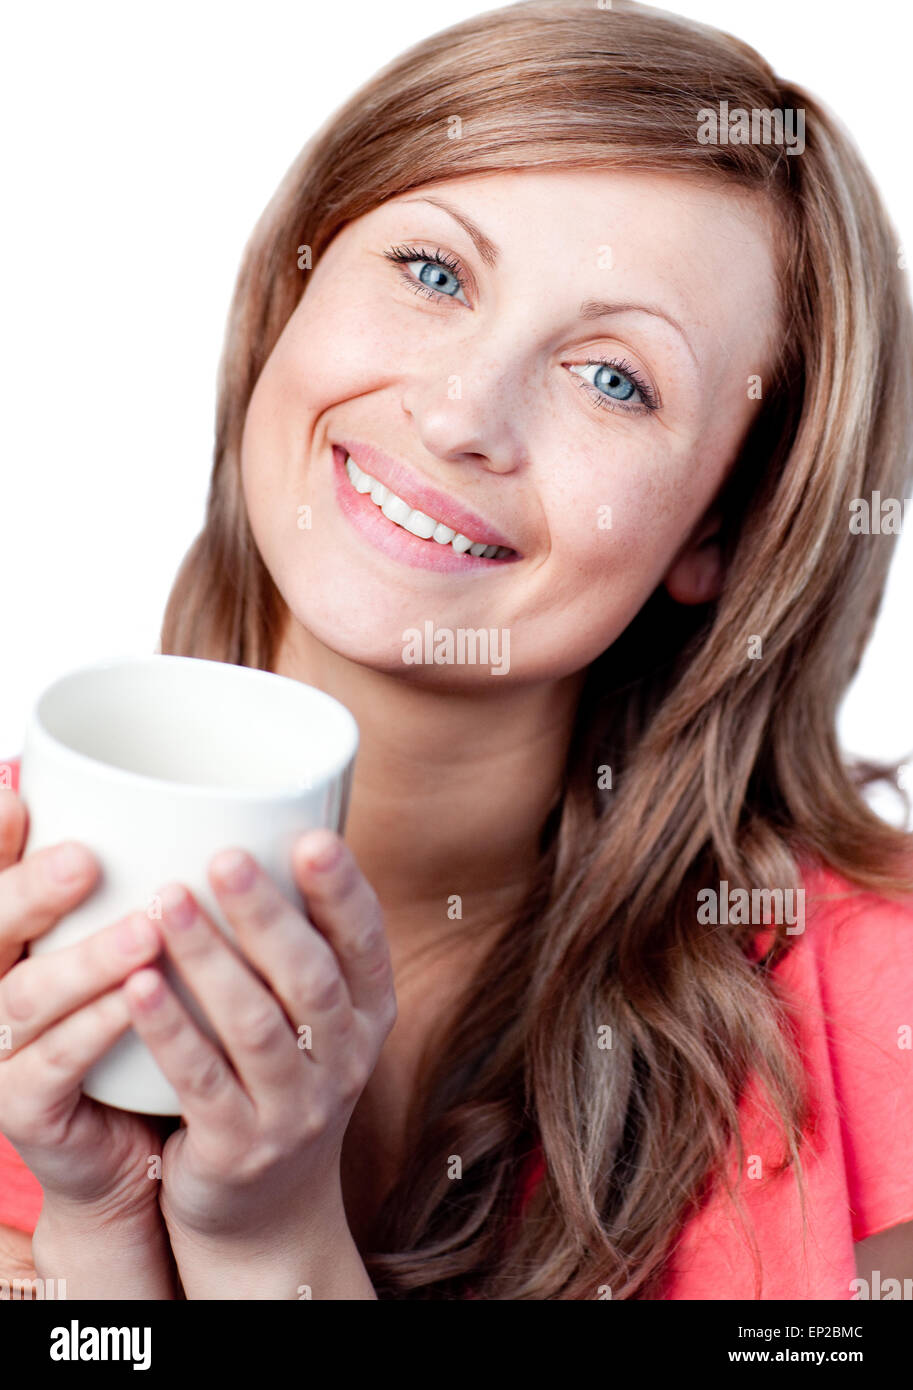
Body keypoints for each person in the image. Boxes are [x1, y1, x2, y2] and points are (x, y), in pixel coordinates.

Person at [1, 0, 912, 1300]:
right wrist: (102, 1234)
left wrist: (269, 1243)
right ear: (290, 295)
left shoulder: (880, 1011)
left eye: (612, 377)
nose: (457, 413)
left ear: (715, 527)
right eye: (433, 273)